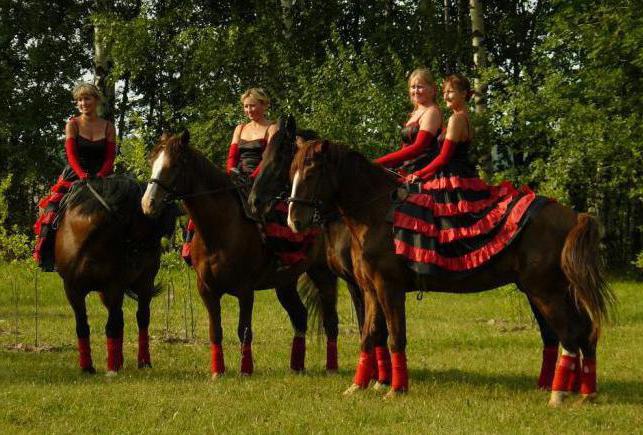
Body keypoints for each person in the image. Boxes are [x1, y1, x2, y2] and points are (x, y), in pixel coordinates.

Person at [392, 73, 544, 276]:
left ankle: (435, 264)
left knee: (434, 214)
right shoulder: (457, 118)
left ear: (464, 94)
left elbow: (443, 158)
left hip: (453, 176)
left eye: (451, 92)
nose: (446, 96)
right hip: (454, 172)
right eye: (444, 92)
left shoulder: (456, 119)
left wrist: (418, 174)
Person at [182, 88, 277, 263]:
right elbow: (232, 156)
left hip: (260, 177)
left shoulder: (272, 128)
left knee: (262, 210)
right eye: (246, 107)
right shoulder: (240, 128)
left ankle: (268, 248)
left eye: (253, 106)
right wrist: (231, 171)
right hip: (237, 175)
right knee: (206, 199)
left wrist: (252, 177)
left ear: (264, 105)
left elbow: (268, 159)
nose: (249, 110)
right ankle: (188, 244)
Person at [33, 83, 117, 271]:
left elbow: (110, 157)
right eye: (79, 100)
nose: (83, 103)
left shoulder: (108, 126)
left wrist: (101, 175)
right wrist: (82, 175)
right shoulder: (72, 124)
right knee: (52, 210)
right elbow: (71, 156)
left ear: (96, 100)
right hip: (75, 173)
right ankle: (47, 256)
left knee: (128, 203)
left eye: (87, 98)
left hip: (103, 174)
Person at [375, 67, 442, 174]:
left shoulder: (432, 111)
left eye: (420, 87)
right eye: (413, 87)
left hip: (424, 173)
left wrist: (379, 162)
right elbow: (405, 150)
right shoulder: (416, 112)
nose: (416, 91)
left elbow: (418, 148)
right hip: (409, 170)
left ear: (432, 89)